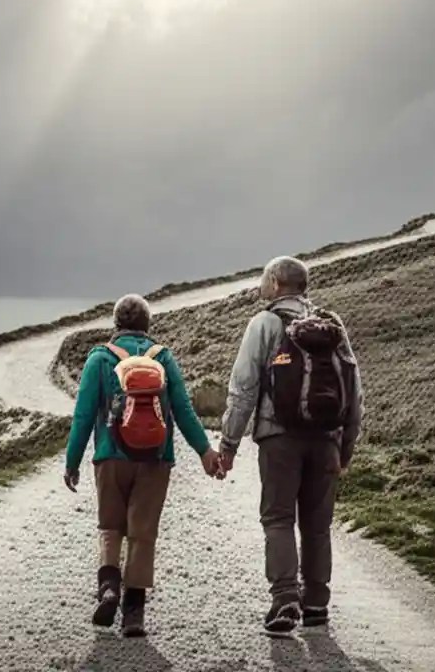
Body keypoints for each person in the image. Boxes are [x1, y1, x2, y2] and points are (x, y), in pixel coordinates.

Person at [217, 256, 363, 634]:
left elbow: (243, 387)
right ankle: (316, 605)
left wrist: (228, 444)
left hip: (279, 439)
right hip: (326, 442)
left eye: (265, 278)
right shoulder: (333, 327)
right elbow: (355, 390)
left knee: (278, 518)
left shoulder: (264, 324)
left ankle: (284, 601)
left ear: (278, 283)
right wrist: (345, 447)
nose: (261, 285)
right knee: (317, 525)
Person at [64, 293, 223, 637]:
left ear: (116, 324)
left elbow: (83, 415)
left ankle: (108, 587)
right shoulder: (163, 358)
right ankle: (134, 613)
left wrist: (72, 461)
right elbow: (183, 410)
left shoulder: (99, 359)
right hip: (155, 459)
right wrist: (205, 452)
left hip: (110, 457)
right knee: (143, 533)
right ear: (148, 325)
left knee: (110, 527)